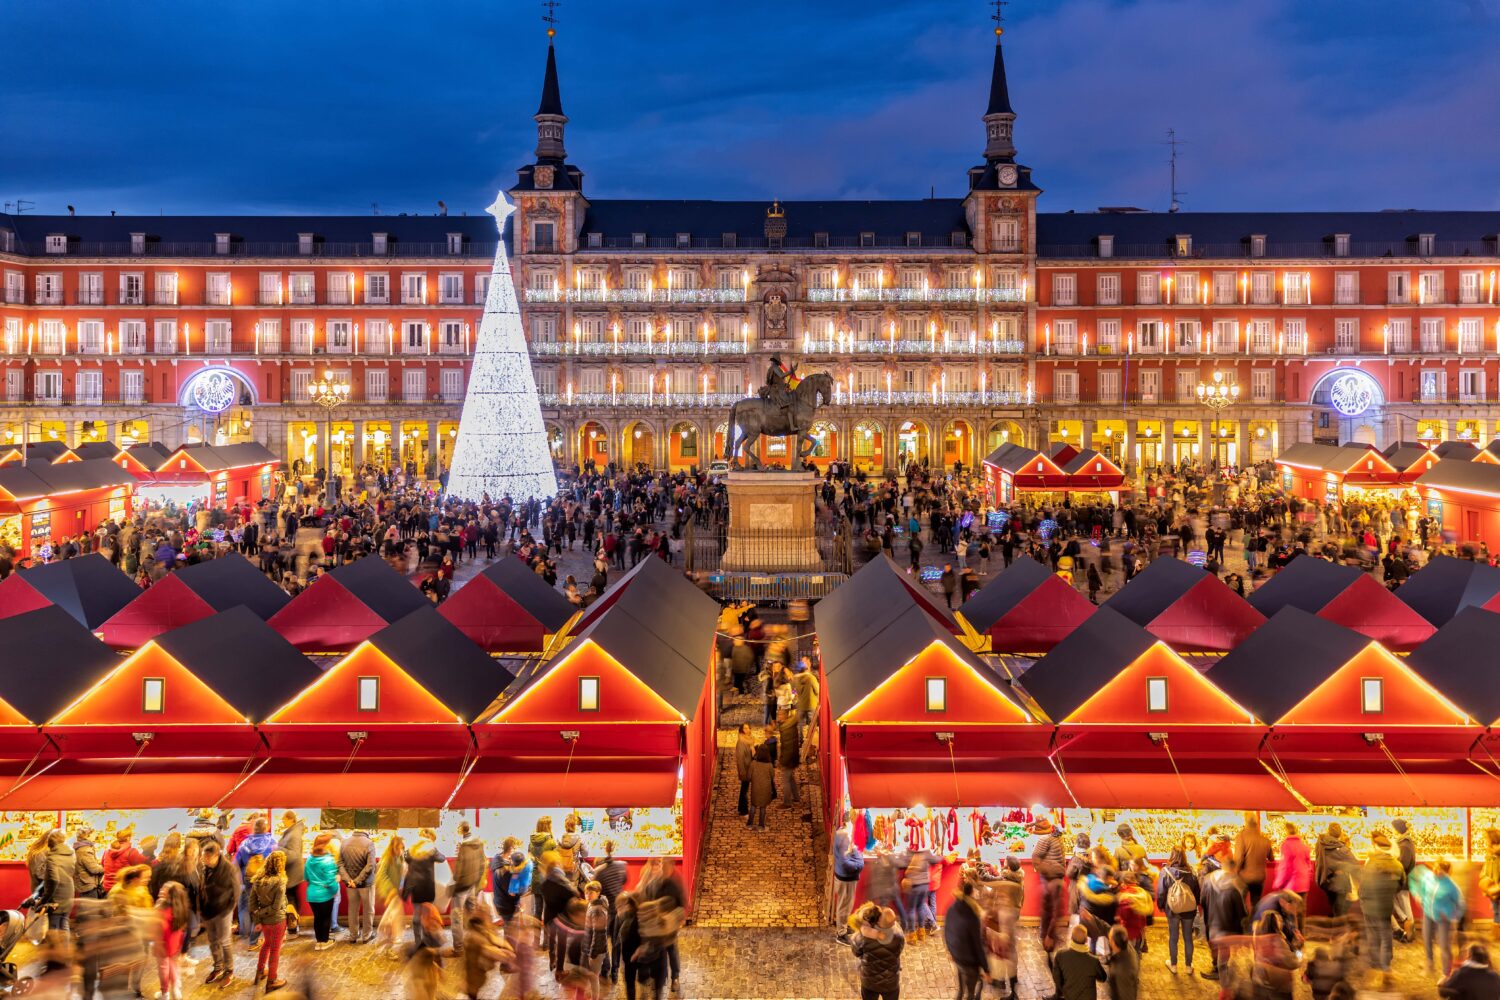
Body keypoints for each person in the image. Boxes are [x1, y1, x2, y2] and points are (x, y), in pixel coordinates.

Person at [1359, 831, 1405, 981]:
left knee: (1373, 935)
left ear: (1377, 847)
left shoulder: (1370, 864)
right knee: (1386, 935)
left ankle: (1375, 964)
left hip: (1369, 906)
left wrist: (1364, 900)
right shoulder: (1397, 865)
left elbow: (1363, 886)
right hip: (1386, 906)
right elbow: (1400, 885)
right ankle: (1386, 967)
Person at [1413, 859, 1465, 977]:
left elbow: (1461, 905)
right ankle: (1429, 965)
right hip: (1428, 915)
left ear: (1446, 873)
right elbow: (1421, 889)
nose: (1435, 871)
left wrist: (1453, 917)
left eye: (1439, 870)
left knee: (1444, 946)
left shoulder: (1452, 887)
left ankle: (1446, 973)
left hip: (1443, 920)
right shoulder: (1428, 877)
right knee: (1427, 941)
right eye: (1435, 867)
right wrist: (1419, 896)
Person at [197, 841, 240, 985]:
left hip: (223, 911)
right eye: (204, 857)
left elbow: (236, 892)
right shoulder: (205, 867)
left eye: (207, 858)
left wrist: (228, 909)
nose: (204, 860)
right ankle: (218, 967)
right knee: (212, 941)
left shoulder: (229, 869)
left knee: (225, 941)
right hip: (208, 911)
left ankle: (229, 970)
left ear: (216, 856)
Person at [1199, 862, 1248, 982]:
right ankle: (1222, 970)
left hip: (1212, 920)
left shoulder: (1208, 880)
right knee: (1224, 948)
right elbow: (1240, 911)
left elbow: (1203, 900)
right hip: (1227, 923)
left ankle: (1218, 970)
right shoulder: (1236, 885)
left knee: (1215, 946)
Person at [1155, 845, 1199, 975]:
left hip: (1172, 909)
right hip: (1189, 910)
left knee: (1173, 937)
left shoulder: (1165, 871)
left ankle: (1173, 965)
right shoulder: (1191, 872)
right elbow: (1196, 892)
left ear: (1172, 855)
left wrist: (1161, 906)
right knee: (1188, 937)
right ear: (1184, 857)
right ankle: (1188, 967)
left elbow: (1161, 892)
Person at [236, 818, 278, 945]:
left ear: (254, 829)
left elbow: (236, 863)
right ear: (266, 828)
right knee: (263, 907)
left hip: (248, 880)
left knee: (246, 905)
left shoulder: (244, 844)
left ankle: (245, 933)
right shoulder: (272, 843)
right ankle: (256, 937)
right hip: (266, 881)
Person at [251, 852, 290, 990]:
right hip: (277, 920)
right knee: (275, 949)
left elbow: (252, 904)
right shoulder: (280, 882)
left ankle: (260, 971)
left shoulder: (257, 880)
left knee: (266, 944)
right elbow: (276, 907)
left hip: (264, 922)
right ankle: (272, 980)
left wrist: (258, 919)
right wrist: (264, 913)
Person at [943, 881, 987, 1000]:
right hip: (969, 960)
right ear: (972, 893)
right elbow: (977, 945)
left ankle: (959, 996)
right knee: (971, 992)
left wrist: (950, 950)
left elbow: (947, 930)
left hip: (957, 955)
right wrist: (986, 969)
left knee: (961, 980)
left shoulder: (953, 907)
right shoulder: (973, 915)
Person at [403, 829, 447, 949]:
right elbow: (442, 858)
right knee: (428, 915)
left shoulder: (411, 849)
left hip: (415, 886)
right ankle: (428, 942)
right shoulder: (431, 849)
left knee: (416, 916)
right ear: (430, 837)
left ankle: (418, 943)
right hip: (428, 886)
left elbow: (405, 857)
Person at [849, 903, 904, 1000]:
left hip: (869, 981)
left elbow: (856, 951)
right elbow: (900, 950)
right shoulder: (899, 935)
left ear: (879, 920)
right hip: (891, 983)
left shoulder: (864, 936)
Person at [1030, 817, 1066, 953]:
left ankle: (1047, 936)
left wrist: (1045, 870)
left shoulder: (1044, 840)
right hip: (1057, 876)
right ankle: (1048, 936)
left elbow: (1036, 857)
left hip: (1051, 878)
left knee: (1048, 909)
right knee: (1052, 909)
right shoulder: (1056, 837)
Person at [450, 821, 487, 955]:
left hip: (462, 887)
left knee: (456, 917)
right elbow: (483, 864)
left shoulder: (463, 847)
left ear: (461, 830)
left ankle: (458, 948)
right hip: (473, 885)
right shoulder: (479, 844)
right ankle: (475, 944)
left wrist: (454, 881)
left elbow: (459, 870)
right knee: (472, 915)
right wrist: (477, 883)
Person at [337, 827, 376, 944]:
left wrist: (349, 880)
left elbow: (339, 863)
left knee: (352, 909)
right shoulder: (369, 843)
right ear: (367, 830)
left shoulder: (344, 842)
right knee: (368, 909)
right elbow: (370, 866)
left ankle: (353, 935)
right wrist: (358, 880)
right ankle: (366, 935)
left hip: (350, 885)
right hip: (366, 884)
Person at [155, 880, 191, 1000]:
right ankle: (176, 988)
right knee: (173, 965)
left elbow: (160, 928)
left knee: (163, 969)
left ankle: (164, 993)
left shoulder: (162, 909)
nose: (161, 891)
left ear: (170, 895)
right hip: (174, 943)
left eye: (164, 890)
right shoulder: (179, 907)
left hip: (162, 944)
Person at [1052, 923, 1107, 1000]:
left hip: (1068, 996)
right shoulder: (1093, 960)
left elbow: (1057, 978)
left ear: (1071, 938)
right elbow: (1103, 978)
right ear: (1086, 940)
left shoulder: (1060, 955)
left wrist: (1064, 991)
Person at [304, 832, 340, 950]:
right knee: (325, 918)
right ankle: (324, 942)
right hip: (325, 894)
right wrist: (335, 887)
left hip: (312, 894)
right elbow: (331, 882)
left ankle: (319, 941)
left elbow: (306, 877)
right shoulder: (328, 860)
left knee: (317, 918)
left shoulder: (309, 859)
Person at [833, 817, 865, 944]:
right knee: (844, 906)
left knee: (847, 905)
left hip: (846, 876)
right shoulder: (844, 836)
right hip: (845, 878)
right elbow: (844, 861)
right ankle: (841, 934)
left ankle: (844, 927)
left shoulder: (843, 833)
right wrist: (859, 864)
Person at [1315, 822, 1357, 918]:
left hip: (1325, 880)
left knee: (1334, 905)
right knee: (1340, 910)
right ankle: (1338, 927)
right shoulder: (1341, 848)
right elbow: (1354, 862)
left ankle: (1336, 925)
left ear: (1328, 831)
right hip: (1340, 882)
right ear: (1340, 833)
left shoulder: (1320, 844)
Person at [1232, 811, 1273, 908]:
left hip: (1244, 877)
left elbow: (1238, 859)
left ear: (1245, 823)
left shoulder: (1241, 837)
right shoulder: (1265, 840)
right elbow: (1271, 858)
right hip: (1260, 877)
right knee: (1256, 903)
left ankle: (1244, 922)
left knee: (1241, 904)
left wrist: (1233, 873)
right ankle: (1254, 921)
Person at [277, 811, 307, 937]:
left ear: (290, 819)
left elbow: (293, 856)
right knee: (291, 899)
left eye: (284, 820)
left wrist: (278, 849)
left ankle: (292, 928)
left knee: (290, 900)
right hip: (292, 873)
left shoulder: (293, 834)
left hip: (291, 873)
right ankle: (292, 927)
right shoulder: (293, 832)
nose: (283, 822)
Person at [776, 708, 802, 806]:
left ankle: (787, 803)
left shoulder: (786, 728)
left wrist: (782, 761)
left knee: (786, 781)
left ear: (785, 716)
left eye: (780, 715)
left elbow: (786, 747)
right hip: (793, 757)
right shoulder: (790, 725)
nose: (779, 717)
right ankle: (796, 797)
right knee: (790, 778)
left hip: (788, 759)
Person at [1106, 924, 1139, 1000]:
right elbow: (1106, 928)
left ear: (1113, 942)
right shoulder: (1127, 946)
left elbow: (1127, 996)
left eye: (1109, 937)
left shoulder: (1122, 972)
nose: (1108, 936)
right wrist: (1092, 918)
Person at [748, 743, 775, 829]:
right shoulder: (769, 765)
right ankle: (761, 825)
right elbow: (772, 776)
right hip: (765, 789)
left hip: (755, 787)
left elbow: (749, 776)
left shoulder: (753, 764)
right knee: (763, 807)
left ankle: (750, 824)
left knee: (753, 805)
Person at [73, 827, 105, 901]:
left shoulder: (80, 847)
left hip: (84, 882)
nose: (95, 836)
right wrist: (107, 867)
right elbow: (94, 869)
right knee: (91, 909)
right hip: (87, 884)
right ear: (87, 836)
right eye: (93, 834)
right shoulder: (85, 850)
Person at [734, 723, 755, 817]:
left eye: (748, 728)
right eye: (745, 728)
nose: (748, 730)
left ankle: (740, 808)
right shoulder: (741, 742)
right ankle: (744, 810)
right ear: (742, 730)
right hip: (745, 770)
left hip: (749, 768)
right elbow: (740, 759)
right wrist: (742, 772)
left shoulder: (749, 740)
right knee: (744, 791)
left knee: (744, 789)